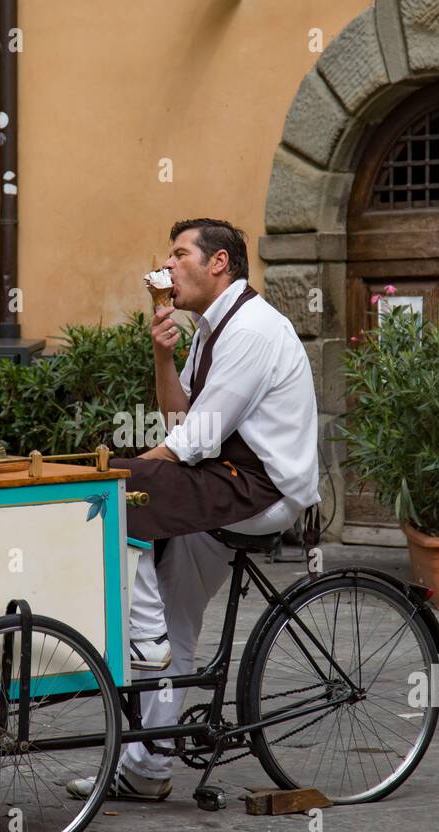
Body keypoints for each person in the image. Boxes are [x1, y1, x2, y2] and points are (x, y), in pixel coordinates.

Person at [67, 218, 320, 801]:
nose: (168, 265)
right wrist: (162, 357)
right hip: (220, 476)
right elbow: (179, 420)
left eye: (180, 254)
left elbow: (193, 440)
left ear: (219, 263)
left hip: (261, 483)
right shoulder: (209, 328)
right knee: (178, 616)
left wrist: (127, 475)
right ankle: (147, 769)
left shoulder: (253, 328)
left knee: (122, 494)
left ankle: (146, 634)